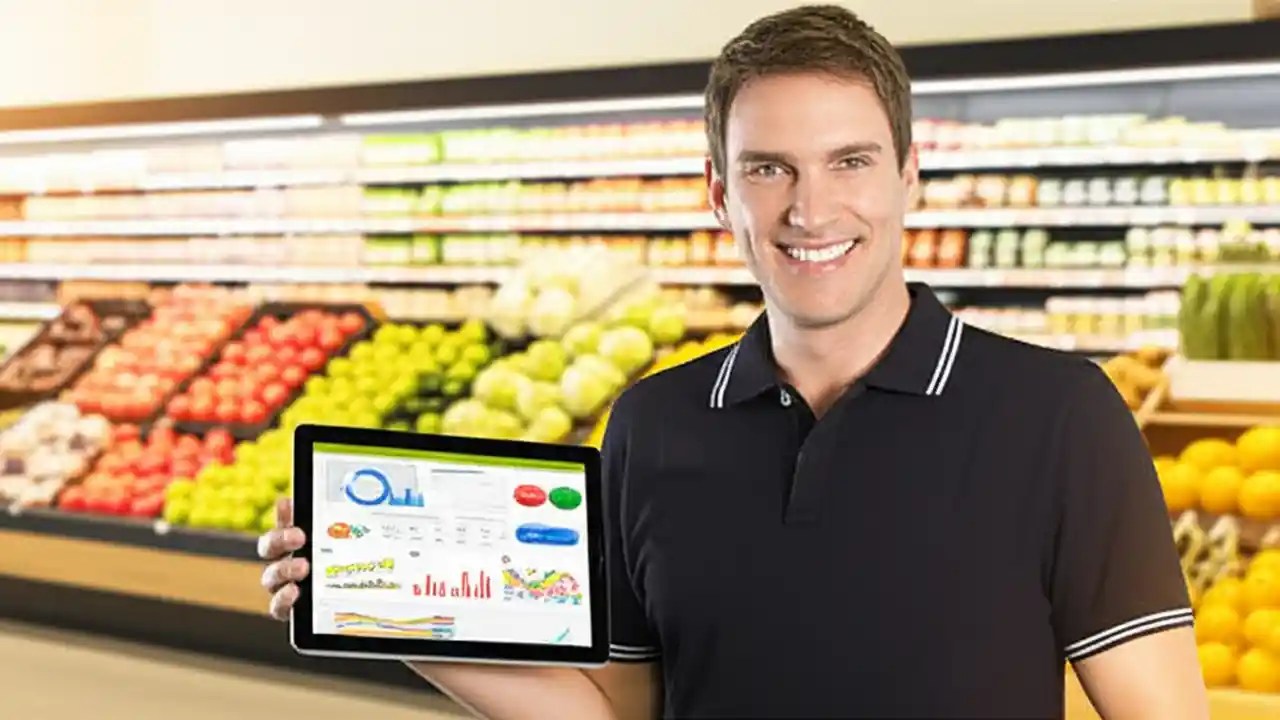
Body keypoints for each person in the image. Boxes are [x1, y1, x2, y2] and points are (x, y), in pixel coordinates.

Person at [259, 5, 1209, 718]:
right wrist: (389, 608)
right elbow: (618, 714)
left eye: (849, 162)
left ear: (909, 177)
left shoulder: (1059, 414)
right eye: (769, 168)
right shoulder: (651, 424)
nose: (810, 209)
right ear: (720, 192)